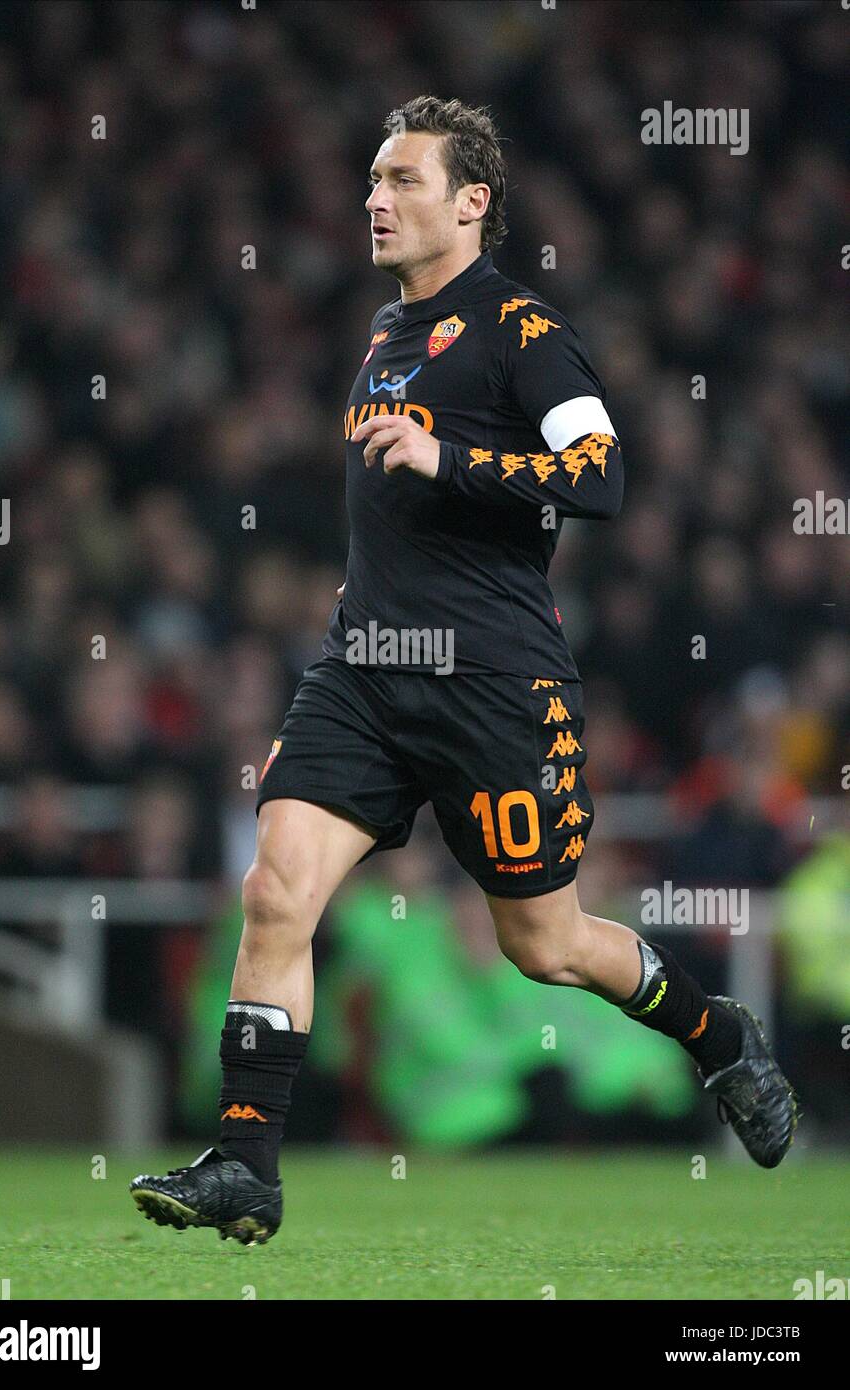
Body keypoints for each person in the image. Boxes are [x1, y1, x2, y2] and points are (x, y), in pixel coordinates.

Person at [130, 96, 797, 1247]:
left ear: (471, 202)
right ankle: (246, 1164)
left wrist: (455, 454)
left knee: (544, 946)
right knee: (276, 886)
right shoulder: (385, 339)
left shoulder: (525, 334)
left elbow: (599, 476)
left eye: (402, 181)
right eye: (372, 183)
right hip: (363, 673)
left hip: (493, 681)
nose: (374, 201)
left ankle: (719, 1036)